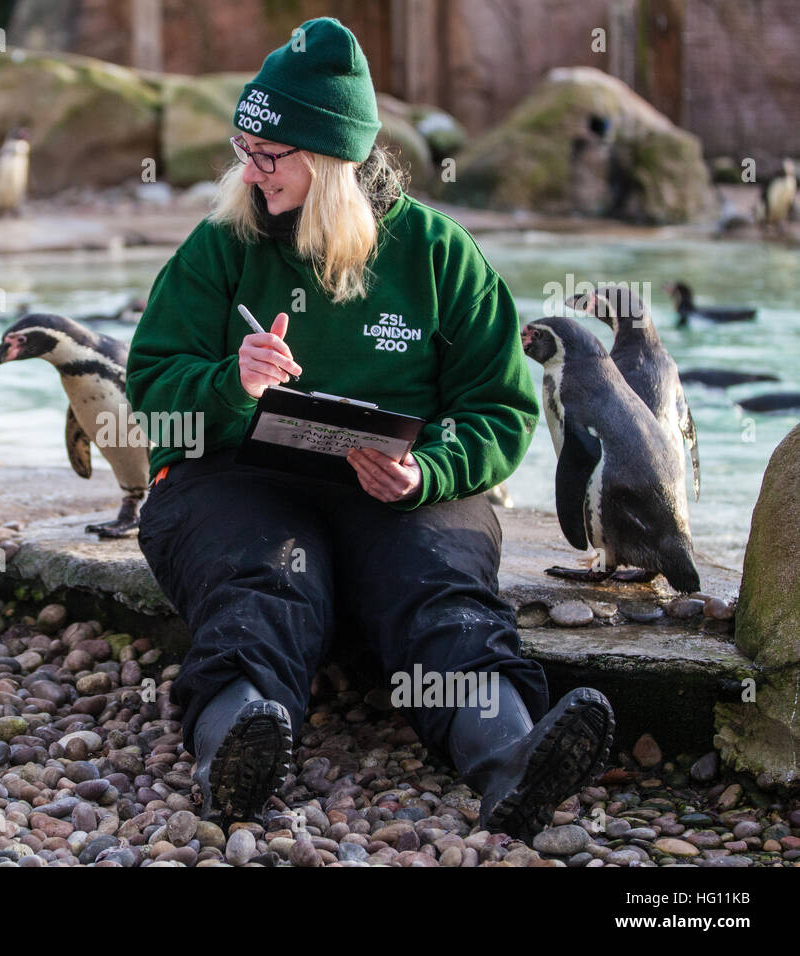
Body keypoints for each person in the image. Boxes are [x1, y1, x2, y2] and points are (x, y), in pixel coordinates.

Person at [126, 17, 614, 839]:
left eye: (268, 156)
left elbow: (499, 409)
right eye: (243, 149)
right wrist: (230, 384)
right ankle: (235, 752)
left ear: (327, 162)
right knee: (265, 582)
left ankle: (511, 760)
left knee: (441, 596)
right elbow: (150, 388)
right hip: (236, 481)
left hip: (398, 487)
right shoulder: (221, 245)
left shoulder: (439, 255)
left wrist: (432, 470)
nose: (248, 172)